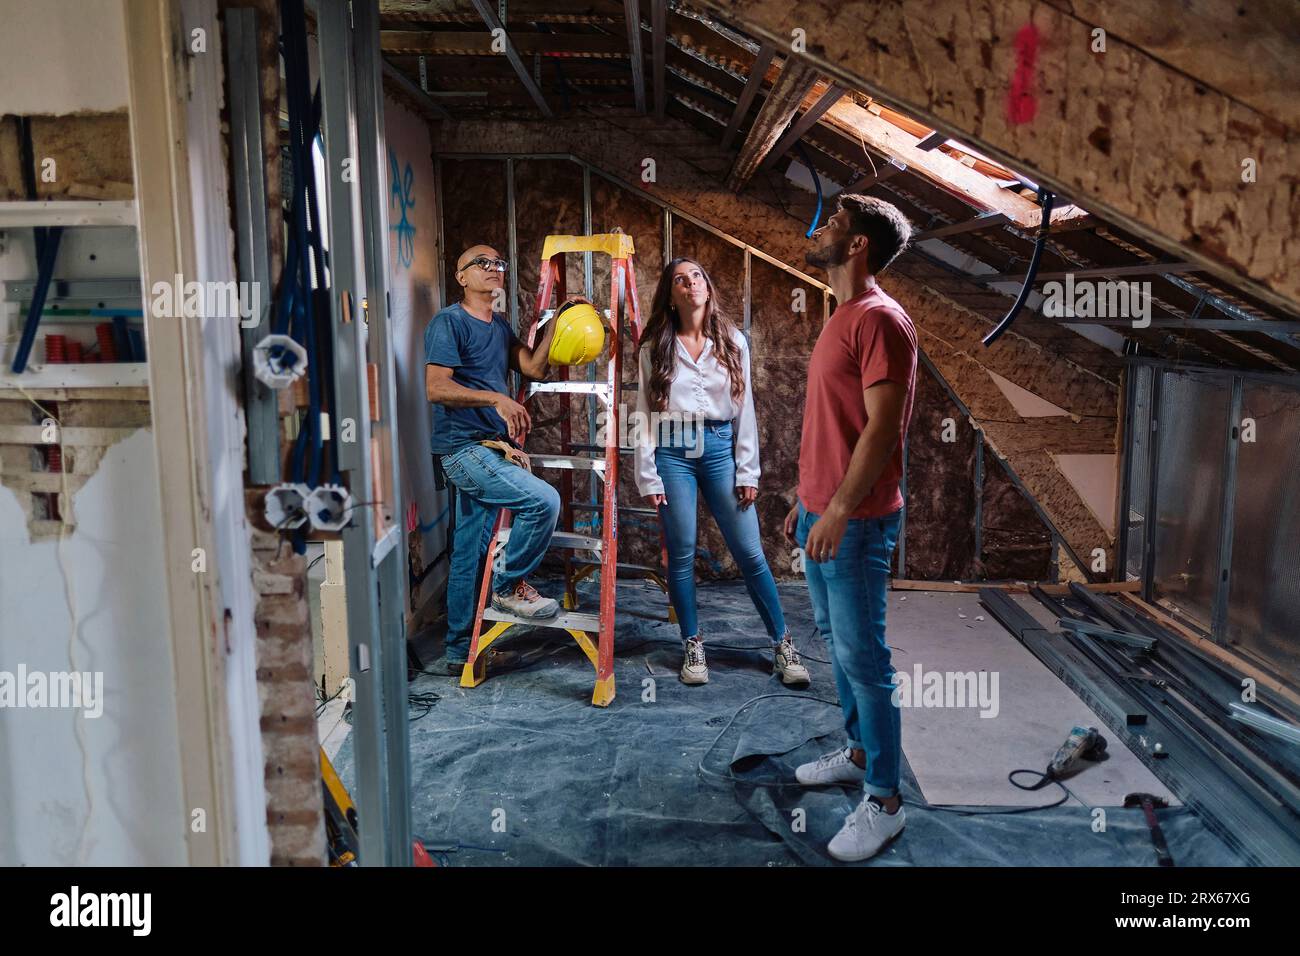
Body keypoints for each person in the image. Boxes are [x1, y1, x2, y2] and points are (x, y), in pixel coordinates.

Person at [783, 195, 916, 862]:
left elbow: (884, 430)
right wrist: (807, 501)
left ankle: (887, 801)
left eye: (833, 222)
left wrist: (835, 511)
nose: (819, 229)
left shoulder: (880, 321)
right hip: (823, 511)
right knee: (839, 647)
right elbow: (833, 427)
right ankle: (861, 752)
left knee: (867, 662)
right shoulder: (841, 316)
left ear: (859, 243)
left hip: (857, 523)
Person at [635, 257, 809, 687]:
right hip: (672, 451)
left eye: (697, 276)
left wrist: (747, 471)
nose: (690, 283)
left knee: (750, 552)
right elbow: (641, 413)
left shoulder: (733, 341)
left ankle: (783, 644)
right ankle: (692, 644)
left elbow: (744, 408)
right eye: (680, 279)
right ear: (671, 296)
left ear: (708, 288)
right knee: (682, 552)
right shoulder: (654, 345)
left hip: (717, 449)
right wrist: (647, 474)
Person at [424, 244, 564, 674]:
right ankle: (507, 584)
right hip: (462, 449)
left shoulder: (499, 326)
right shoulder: (449, 322)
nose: (493, 269)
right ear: (461, 277)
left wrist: (561, 320)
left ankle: (459, 650)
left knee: (470, 549)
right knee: (543, 502)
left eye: (498, 264)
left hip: (489, 448)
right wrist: (495, 398)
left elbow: (535, 368)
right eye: (481, 264)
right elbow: (434, 387)